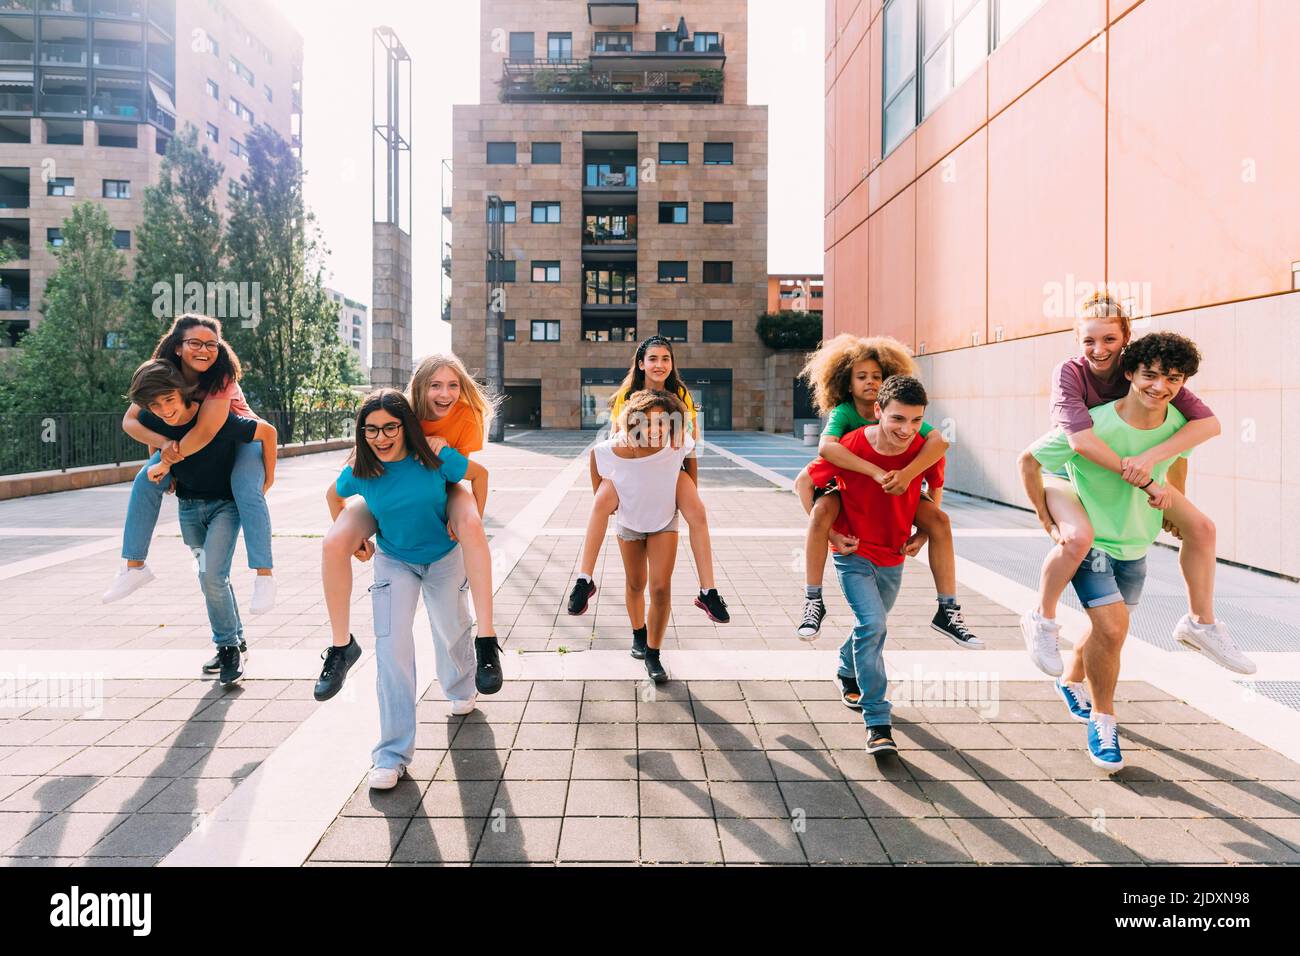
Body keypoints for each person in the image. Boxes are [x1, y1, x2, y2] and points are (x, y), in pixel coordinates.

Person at [1020, 332, 1254, 772]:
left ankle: (1073, 679)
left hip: (1135, 541)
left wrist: (1175, 499)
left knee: (1112, 625)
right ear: (1129, 373)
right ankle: (1103, 721)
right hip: (1095, 544)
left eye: (1173, 378)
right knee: (1112, 630)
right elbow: (1030, 459)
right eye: (1150, 375)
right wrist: (1045, 515)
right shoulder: (1095, 423)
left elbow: (1180, 457)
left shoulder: (1176, 424)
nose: (1160, 387)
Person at [325, 389, 498, 791]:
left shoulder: (434, 459)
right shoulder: (362, 469)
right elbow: (334, 495)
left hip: (442, 557)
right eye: (371, 430)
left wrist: (472, 521)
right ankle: (391, 754)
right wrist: (356, 542)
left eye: (389, 427)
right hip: (394, 561)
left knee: (452, 628)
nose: (381, 437)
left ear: (406, 427)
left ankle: (459, 686)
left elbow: (480, 475)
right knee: (391, 648)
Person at [315, 352, 498, 703]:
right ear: (419, 389)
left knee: (472, 526)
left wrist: (462, 523)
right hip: (385, 490)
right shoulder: (402, 412)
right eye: (435, 385)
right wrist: (357, 542)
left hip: (442, 486)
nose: (444, 393)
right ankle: (341, 646)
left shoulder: (467, 414)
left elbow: (470, 473)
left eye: (453, 385)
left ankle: (486, 639)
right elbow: (372, 436)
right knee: (333, 542)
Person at [795, 335, 976, 648]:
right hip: (847, 483)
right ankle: (813, 600)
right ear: (845, 382)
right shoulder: (845, 412)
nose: (870, 382)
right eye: (861, 376)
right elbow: (826, 449)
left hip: (895, 485)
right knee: (820, 512)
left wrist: (919, 520)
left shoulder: (901, 416)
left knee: (941, 521)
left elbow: (939, 443)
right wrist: (834, 534)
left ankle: (948, 609)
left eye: (877, 376)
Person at [105, 315, 278, 624]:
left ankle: (264, 576)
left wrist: (167, 459)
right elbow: (133, 420)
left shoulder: (219, 376)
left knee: (245, 490)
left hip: (239, 437)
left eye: (211, 344)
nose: (204, 350)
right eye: (195, 343)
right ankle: (134, 566)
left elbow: (207, 432)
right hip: (190, 441)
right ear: (178, 346)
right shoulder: (163, 372)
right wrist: (161, 448)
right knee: (145, 480)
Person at [810, 375, 945, 755]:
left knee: (870, 626)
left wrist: (924, 532)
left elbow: (934, 486)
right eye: (899, 419)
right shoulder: (851, 444)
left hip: (893, 551)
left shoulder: (922, 448)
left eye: (916, 420)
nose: (907, 429)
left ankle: (845, 665)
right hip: (853, 553)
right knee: (874, 625)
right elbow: (807, 482)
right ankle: (878, 721)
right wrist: (831, 534)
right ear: (877, 412)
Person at [126, 359, 277, 687]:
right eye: (157, 405)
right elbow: (145, 436)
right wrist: (162, 464)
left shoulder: (219, 420)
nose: (165, 410)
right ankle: (237, 640)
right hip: (189, 508)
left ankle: (228, 650)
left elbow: (266, 432)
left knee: (212, 576)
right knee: (211, 577)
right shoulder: (163, 425)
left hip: (226, 507)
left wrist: (268, 478)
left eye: (169, 401)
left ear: (185, 395)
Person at [565, 336, 730, 624]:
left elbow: (693, 444)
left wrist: (689, 484)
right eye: (653, 359)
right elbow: (618, 437)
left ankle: (708, 590)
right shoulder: (627, 395)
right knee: (601, 501)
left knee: (698, 512)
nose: (659, 364)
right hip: (632, 468)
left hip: (669, 467)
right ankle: (584, 579)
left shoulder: (680, 393)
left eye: (665, 359)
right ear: (641, 364)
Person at [590, 389, 695, 685]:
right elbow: (598, 474)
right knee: (636, 583)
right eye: (647, 422)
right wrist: (610, 500)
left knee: (661, 588)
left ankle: (653, 652)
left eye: (662, 422)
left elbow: (690, 445)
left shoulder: (677, 442)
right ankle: (638, 633)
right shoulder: (618, 446)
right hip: (630, 522)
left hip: (664, 520)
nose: (655, 428)